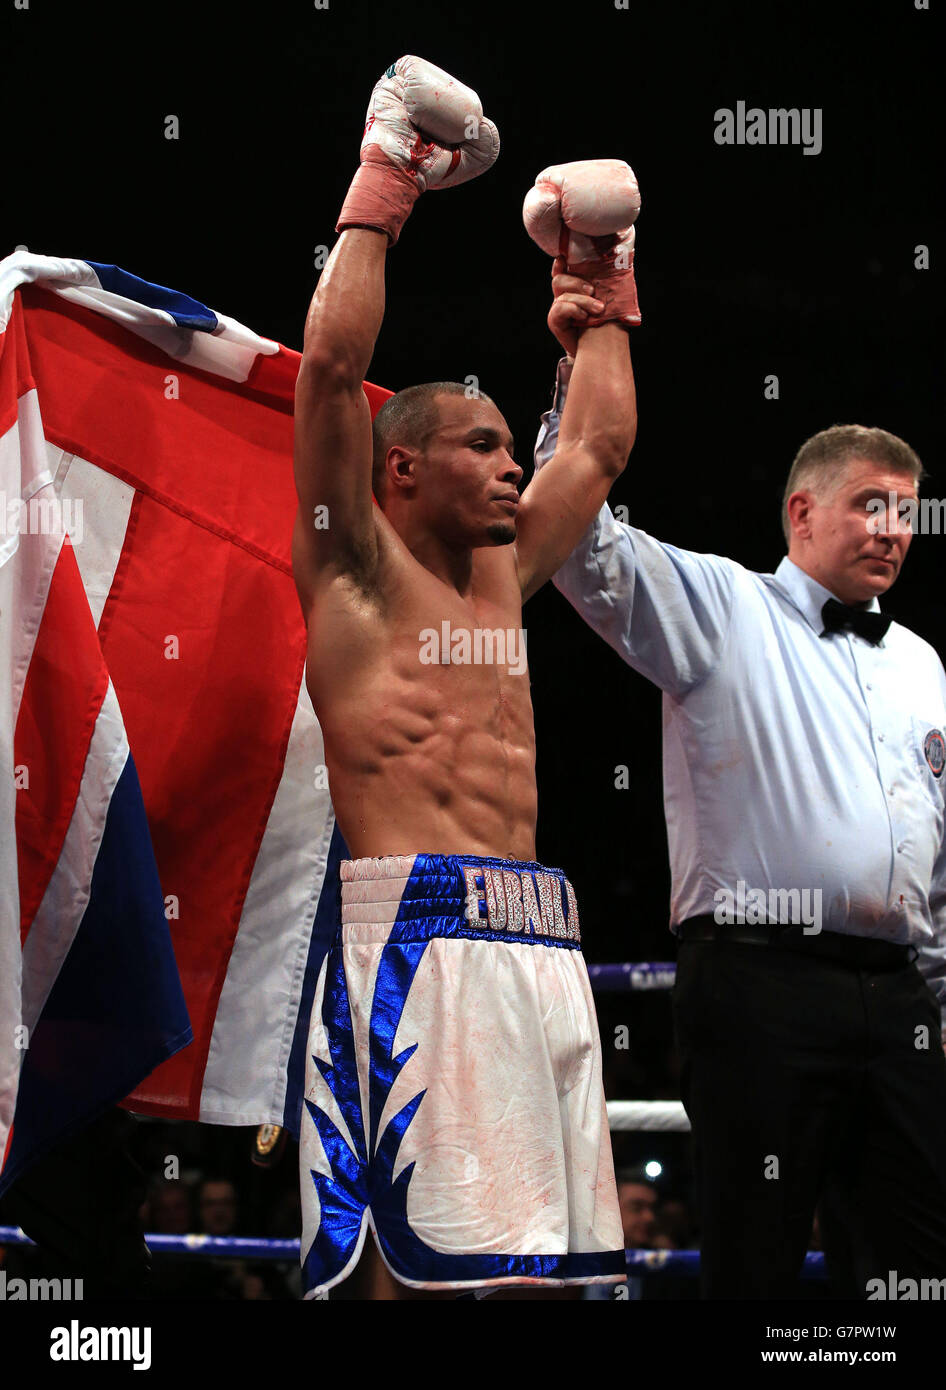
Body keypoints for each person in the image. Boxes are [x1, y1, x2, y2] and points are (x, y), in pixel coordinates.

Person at [291, 56, 640, 1298]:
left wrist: (599, 278)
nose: (512, 467)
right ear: (398, 473)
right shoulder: (352, 576)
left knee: (534, 1278)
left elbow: (595, 444)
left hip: (537, 935)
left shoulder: (502, 574)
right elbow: (329, 379)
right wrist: (387, 178)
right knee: (408, 1278)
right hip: (411, 944)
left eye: (509, 447)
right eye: (482, 445)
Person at [534, 315, 946, 1298]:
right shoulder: (723, 608)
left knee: (912, 1264)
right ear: (801, 513)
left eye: (906, 512)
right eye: (870, 507)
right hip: (761, 988)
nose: (892, 531)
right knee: (754, 1253)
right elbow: (577, 550)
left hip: (900, 1001)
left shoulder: (924, 662)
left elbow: (929, 854)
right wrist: (581, 368)